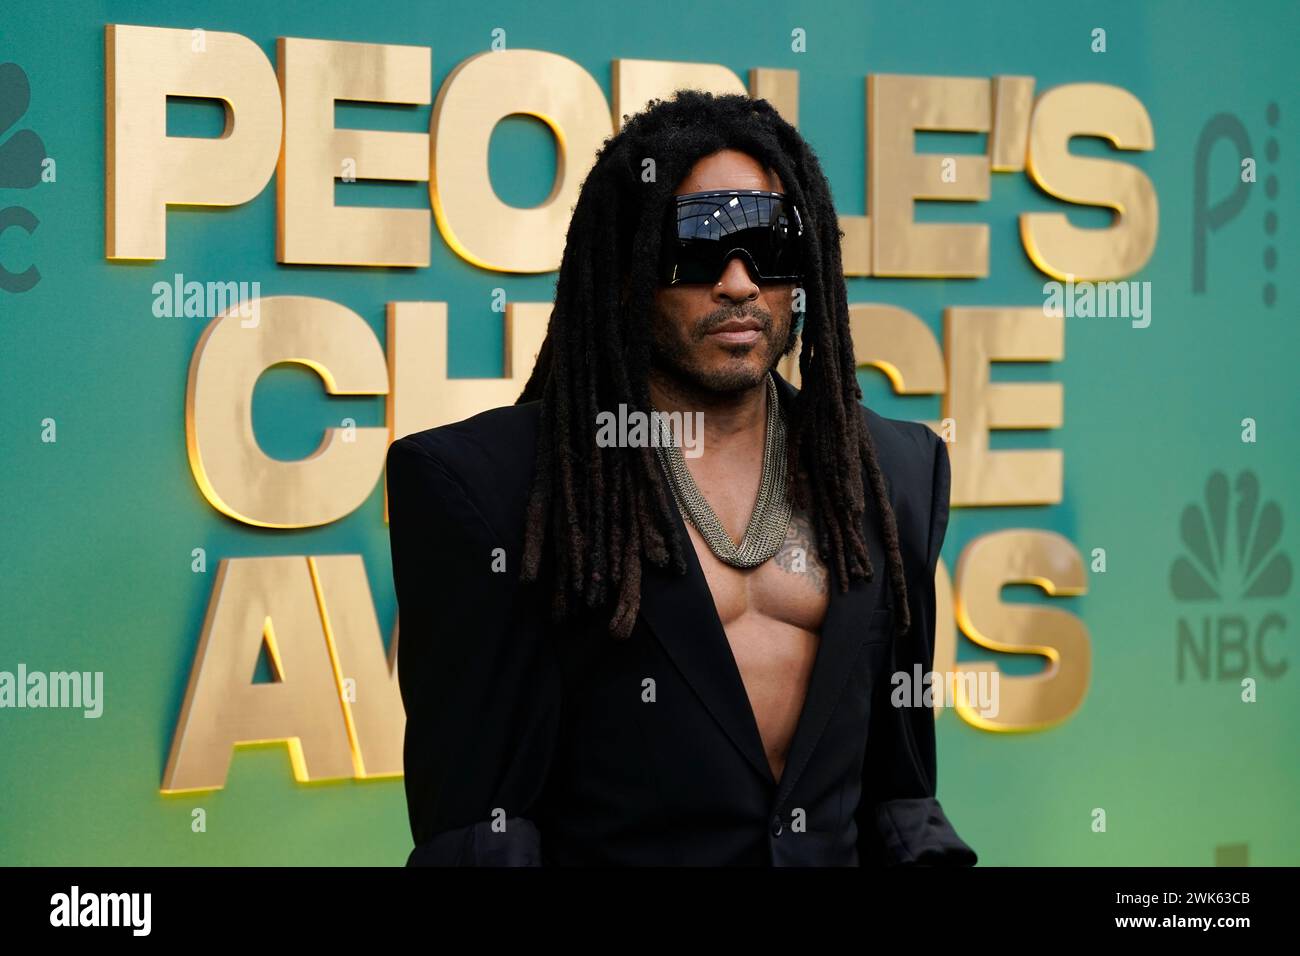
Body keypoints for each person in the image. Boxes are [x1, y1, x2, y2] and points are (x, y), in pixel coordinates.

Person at [385, 89, 976, 866]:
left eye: (769, 245)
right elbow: (481, 832)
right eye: (696, 245)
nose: (737, 282)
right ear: (626, 270)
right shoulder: (491, 489)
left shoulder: (893, 470)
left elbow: (900, 793)